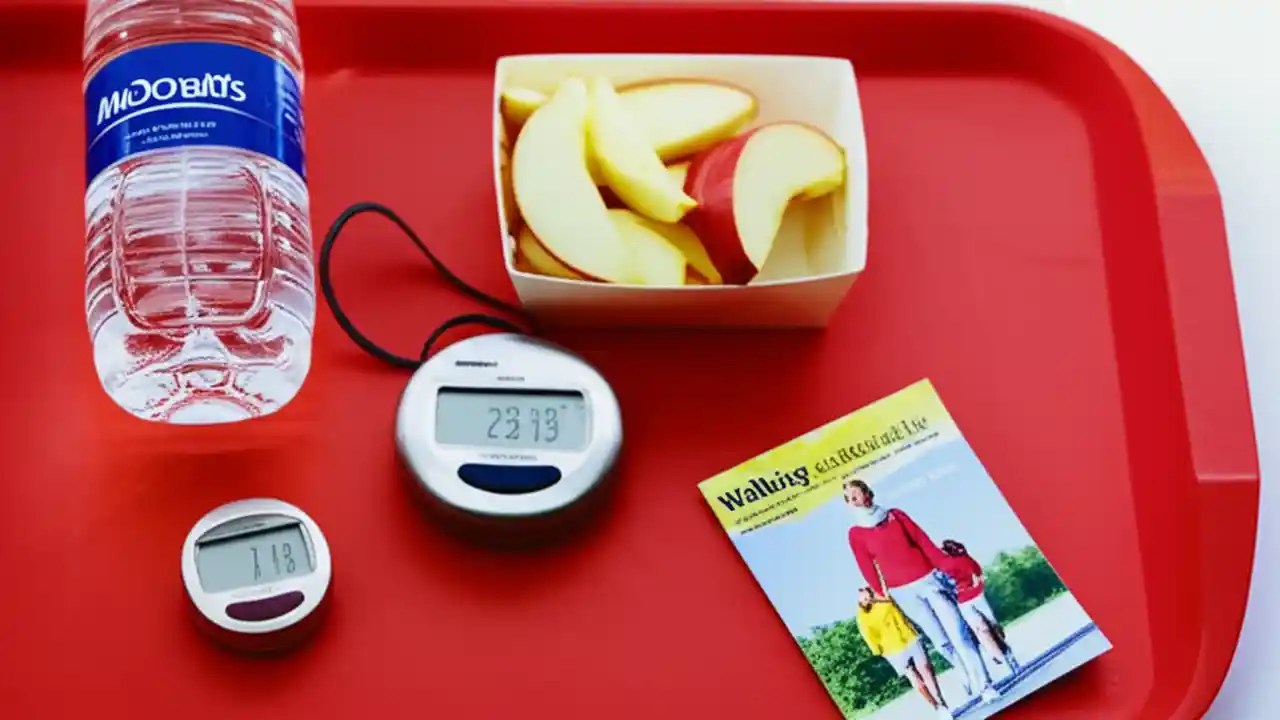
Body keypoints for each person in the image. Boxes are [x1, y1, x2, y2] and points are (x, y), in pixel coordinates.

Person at [843, 478, 1001, 704]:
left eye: (858, 494)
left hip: (929, 580)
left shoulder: (896, 515)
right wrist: (880, 591)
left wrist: (947, 565)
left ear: (869, 493)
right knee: (941, 642)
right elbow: (865, 565)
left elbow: (923, 541)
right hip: (902, 593)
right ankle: (966, 674)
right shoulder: (855, 534)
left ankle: (985, 686)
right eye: (851, 498)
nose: (856, 500)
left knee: (959, 634)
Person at [855, 587, 955, 720]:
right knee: (913, 676)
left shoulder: (883, 597)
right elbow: (868, 634)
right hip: (891, 648)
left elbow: (894, 602)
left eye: (867, 593)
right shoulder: (863, 615)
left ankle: (942, 702)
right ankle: (935, 705)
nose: (866, 597)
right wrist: (878, 651)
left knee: (926, 668)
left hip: (909, 636)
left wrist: (875, 597)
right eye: (863, 597)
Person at [939, 539, 1020, 674]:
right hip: (975, 596)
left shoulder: (947, 565)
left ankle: (998, 653)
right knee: (991, 626)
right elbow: (979, 574)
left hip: (966, 600)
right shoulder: (964, 558)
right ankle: (1004, 653)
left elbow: (947, 585)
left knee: (982, 630)